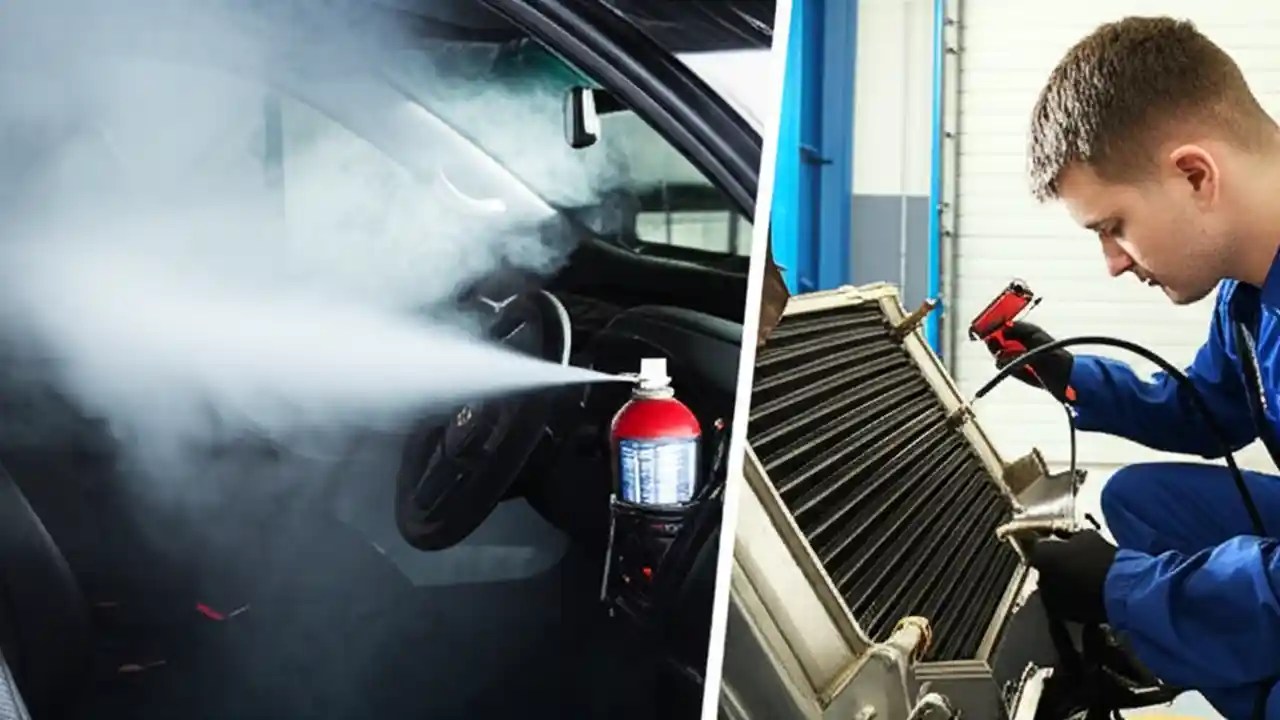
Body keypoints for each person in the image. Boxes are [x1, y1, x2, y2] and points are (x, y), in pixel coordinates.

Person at [1002, 16, 1280, 720]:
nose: (1115, 261)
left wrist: (1127, 591)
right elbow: (1206, 409)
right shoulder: (1249, 296)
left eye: (1112, 226)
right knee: (1138, 501)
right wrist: (1067, 374)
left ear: (1194, 174)